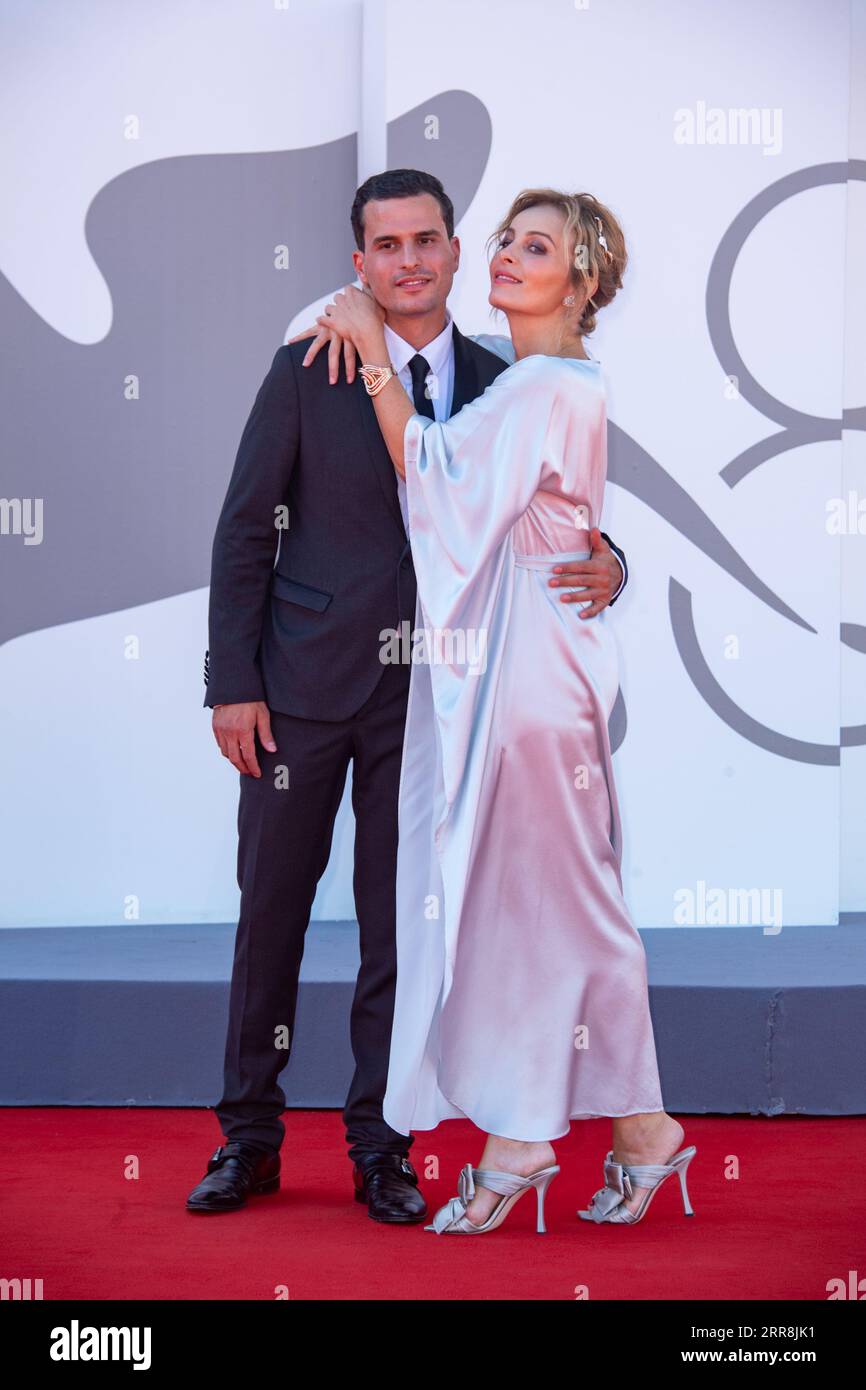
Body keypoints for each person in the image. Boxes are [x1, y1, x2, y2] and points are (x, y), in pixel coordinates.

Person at [187, 169, 630, 1223]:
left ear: (449, 245)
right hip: (297, 691)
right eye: (384, 246)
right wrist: (231, 684)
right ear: (360, 264)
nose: (408, 261)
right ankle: (247, 1138)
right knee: (272, 920)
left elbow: (548, 501)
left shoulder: (500, 374)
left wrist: (612, 559)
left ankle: (379, 1146)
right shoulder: (309, 366)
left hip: (433, 707)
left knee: (405, 930)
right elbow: (246, 526)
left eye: (425, 239)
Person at [308, 185, 696, 1234]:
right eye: (507, 240)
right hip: (534, 658)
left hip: (534, 676)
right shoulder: (539, 380)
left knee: (554, 900)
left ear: (579, 279)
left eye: (539, 247)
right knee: (559, 901)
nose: (509, 256)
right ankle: (639, 1127)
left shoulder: (541, 386)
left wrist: (370, 352)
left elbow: (429, 477)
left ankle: (528, 1140)